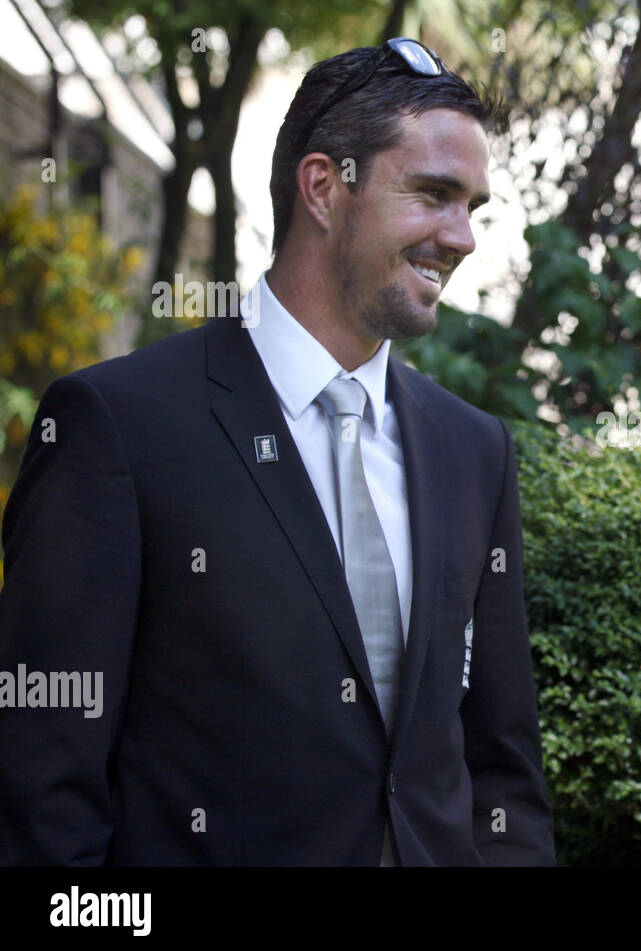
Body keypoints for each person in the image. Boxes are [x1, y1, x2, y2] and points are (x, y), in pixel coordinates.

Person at [0, 38, 555, 865]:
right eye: (434, 194)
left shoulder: (475, 451)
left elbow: (502, 767)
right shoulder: (115, 426)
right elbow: (44, 795)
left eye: (473, 205)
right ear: (325, 187)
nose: (462, 236)